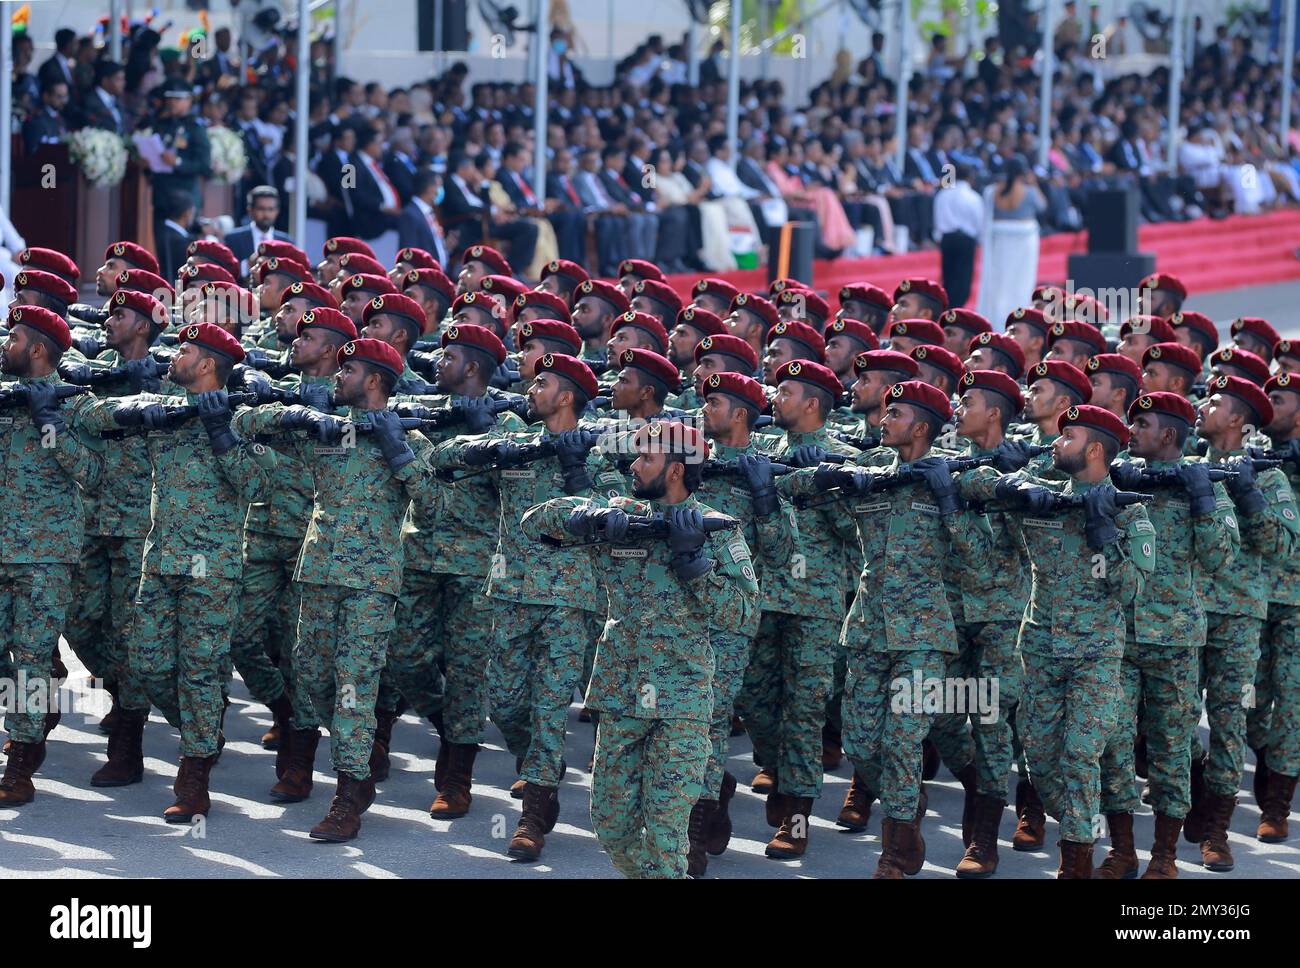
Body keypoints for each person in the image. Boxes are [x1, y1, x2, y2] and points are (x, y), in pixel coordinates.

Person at [521, 420, 759, 878]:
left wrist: (696, 565)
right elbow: (535, 522)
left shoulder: (716, 531)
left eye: (646, 457)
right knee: (611, 824)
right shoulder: (621, 512)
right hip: (621, 690)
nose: (633, 464)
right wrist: (586, 520)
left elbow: (743, 615)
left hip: (681, 698)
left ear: (674, 470)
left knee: (666, 830)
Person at [77, 322, 272, 823]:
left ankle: (194, 773)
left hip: (212, 569)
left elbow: (254, 484)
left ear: (207, 364)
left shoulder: (241, 417)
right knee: (144, 663)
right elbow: (101, 420)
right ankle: (202, 731)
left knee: (201, 670)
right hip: (158, 559)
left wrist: (220, 430)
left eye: (185, 350)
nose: (174, 356)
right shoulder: (163, 405)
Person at [247, 337, 438, 840]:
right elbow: (244, 425)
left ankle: (348, 797)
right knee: (309, 679)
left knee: (354, 688)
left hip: (371, 584)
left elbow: (435, 507)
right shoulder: (331, 430)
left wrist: (399, 451)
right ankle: (329, 760)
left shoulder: (408, 439)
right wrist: (297, 418)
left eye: (347, 369)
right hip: (318, 573)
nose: (337, 374)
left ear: (374, 381)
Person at [962, 404, 1155, 877]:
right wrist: (1018, 487)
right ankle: (1081, 829)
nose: (1054, 443)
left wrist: (1103, 531)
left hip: (1097, 655)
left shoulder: (1128, 508)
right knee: (1041, 760)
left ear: (1093, 449)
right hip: (1041, 648)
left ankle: (1078, 861)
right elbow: (969, 483)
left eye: (1067, 437)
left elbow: (1131, 589)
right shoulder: (1044, 491)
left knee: (1080, 754)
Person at [1095, 392, 1238, 879]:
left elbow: (1221, 557)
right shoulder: (1116, 473)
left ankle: (1164, 855)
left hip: (1175, 639)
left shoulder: (1203, 483)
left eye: (1143, 424)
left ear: (1170, 436)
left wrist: (1200, 497)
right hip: (1120, 636)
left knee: (1171, 749)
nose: (1131, 431)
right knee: (1113, 742)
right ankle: (1121, 850)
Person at [0, 306, 104, 806]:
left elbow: (93, 472)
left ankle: (20, 761)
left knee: (33, 662)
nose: (5, 343)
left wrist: (51, 425)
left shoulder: (75, 403)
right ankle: (30, 720)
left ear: (38, 349)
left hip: (46, 554)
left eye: (14, 337)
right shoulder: (3, 393)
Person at [976, 157, 1044, 329]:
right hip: (1023, 241)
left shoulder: (993, 191)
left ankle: (997, 318)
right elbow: (1042, 206)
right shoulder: (1028, 192)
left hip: (1000, 242)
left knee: (1000, 283)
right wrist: (1034, 184)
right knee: (1020, 282)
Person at [932, 163, 983, 309]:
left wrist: (938, 236)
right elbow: (979, 221)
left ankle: (947, 305)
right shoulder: (973, 197)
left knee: (948, 274)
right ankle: (957, 306)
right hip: (966, 240)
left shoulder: (943, 194)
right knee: (963, 276)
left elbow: (938, 217)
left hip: (947, 238)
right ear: (970, 178)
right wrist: (979, 239)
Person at [224, 186, 295, 276]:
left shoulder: (287, 242)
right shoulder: (233, 239)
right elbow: (226, 273)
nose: (266, 214)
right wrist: (247, 265)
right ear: (250, 210)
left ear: (277, 211)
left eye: (271, 209)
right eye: (261, 209)